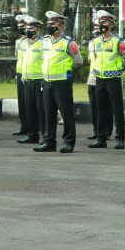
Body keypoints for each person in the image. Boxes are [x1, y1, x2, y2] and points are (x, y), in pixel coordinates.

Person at [35, 10, 84, 153]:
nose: (50, 26)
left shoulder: (68, 42)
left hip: (62, 82)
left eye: (53, 24)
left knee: (66, 113)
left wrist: (66, 71)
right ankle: (49, 141)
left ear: (61, 26)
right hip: (47, 81)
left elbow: (79, 61)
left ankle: (68, 142)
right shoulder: (44, 41)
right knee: (48, 113)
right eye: (49, 24)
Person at [89, 10, 125, 150]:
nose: (102, 25)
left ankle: (120, 139)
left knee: (117, 110)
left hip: (113, 80)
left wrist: (120, 70)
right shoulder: (95, 42)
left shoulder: (118, 41)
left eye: (105, 23)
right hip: (100, 79)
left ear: (111, 24)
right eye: (100, 23)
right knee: (101, 110)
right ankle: (101, 138)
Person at [17, 17, 44, 145]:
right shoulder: (23, 43)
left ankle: (45, 135)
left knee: (41, 109)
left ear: (37, 29)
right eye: (27, 28)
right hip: (27, 80)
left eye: (31, 28)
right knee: (29, 109)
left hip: (39, 80)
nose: (28, 31)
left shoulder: (43, 43)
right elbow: (21, 60)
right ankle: (32, 135)